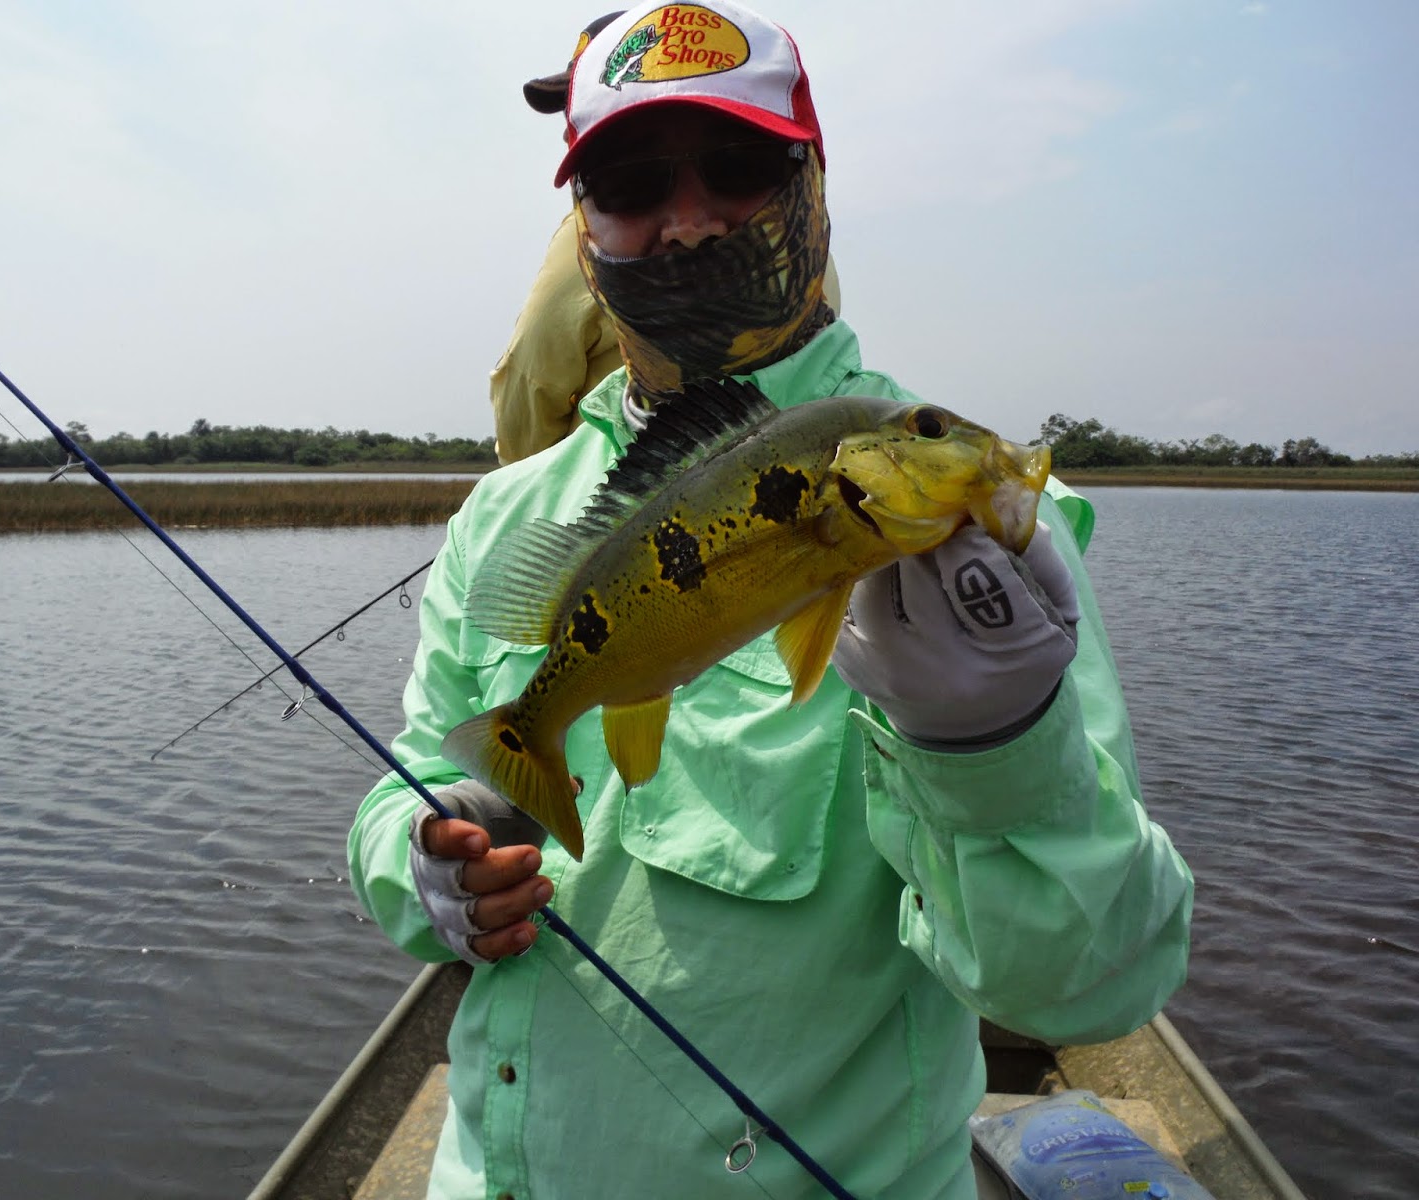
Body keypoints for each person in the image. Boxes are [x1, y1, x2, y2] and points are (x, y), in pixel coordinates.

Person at [349, 5, 1194, 1198]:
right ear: (583, 228)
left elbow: (1086, 990)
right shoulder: (506, 516)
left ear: (812, 186)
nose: (689, 219)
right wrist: (425, 866)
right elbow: (409, 782)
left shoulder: (980, 536)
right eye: (631, 185)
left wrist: (1000, 747)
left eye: (738, 167)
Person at [490, 10, 840, 465]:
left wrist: (549, 481)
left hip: (625, 479)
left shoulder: (587, 242)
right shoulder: (792, 236)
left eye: (742, 165)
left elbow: (531, 381)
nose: (688, 227)